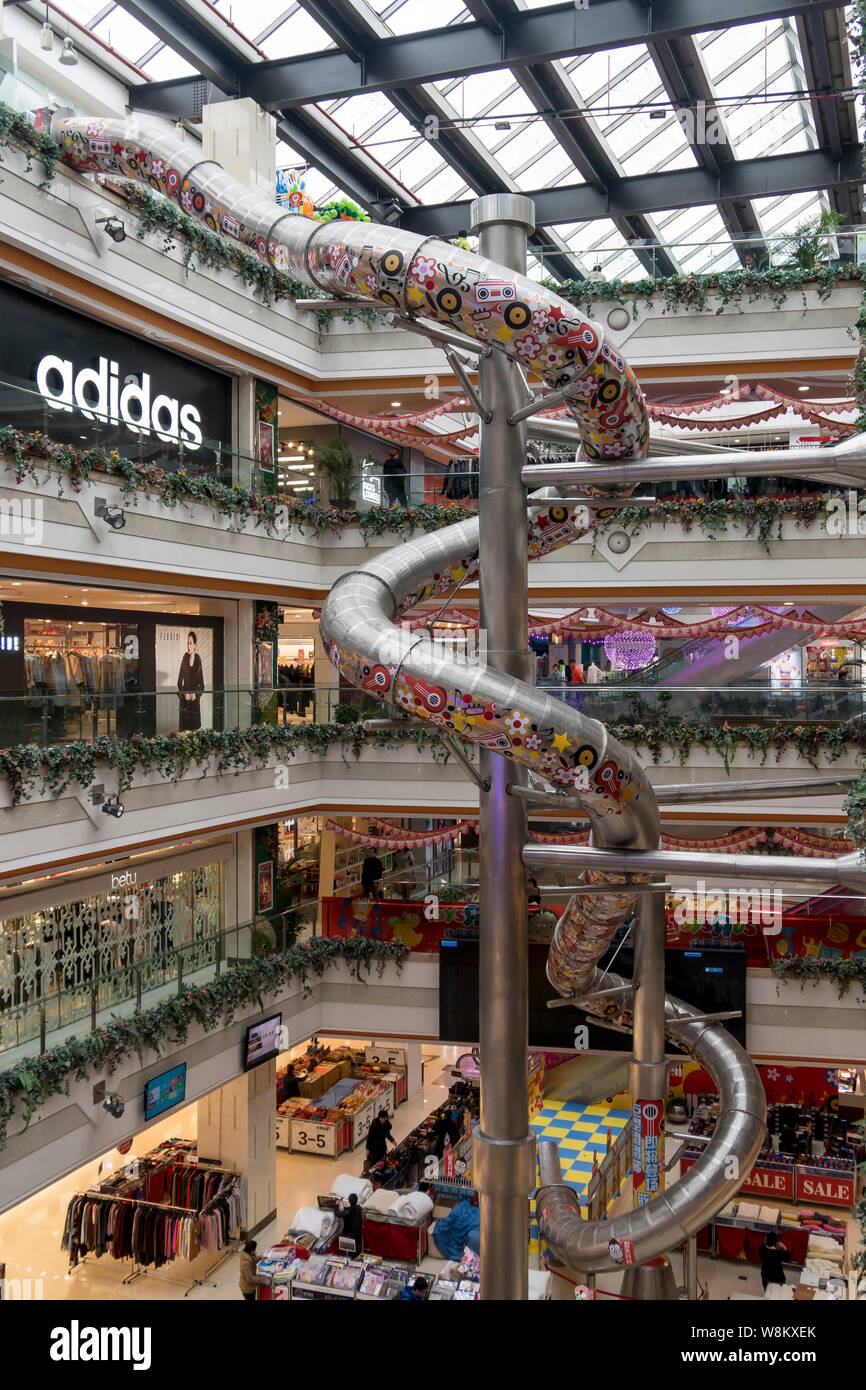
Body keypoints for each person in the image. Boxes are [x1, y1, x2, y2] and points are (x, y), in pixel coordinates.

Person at [177, 630, 205, 731]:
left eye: (191, 643)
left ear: (195, 645)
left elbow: (202, 685)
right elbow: (179, 682)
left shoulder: (198, 659)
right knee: (185, 731)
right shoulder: (185, 658)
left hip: (195, 701)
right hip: (185, 701)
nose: (189, 645)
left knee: (195, 730)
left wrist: (196, 695)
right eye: (187, 643)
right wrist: (184, 694)